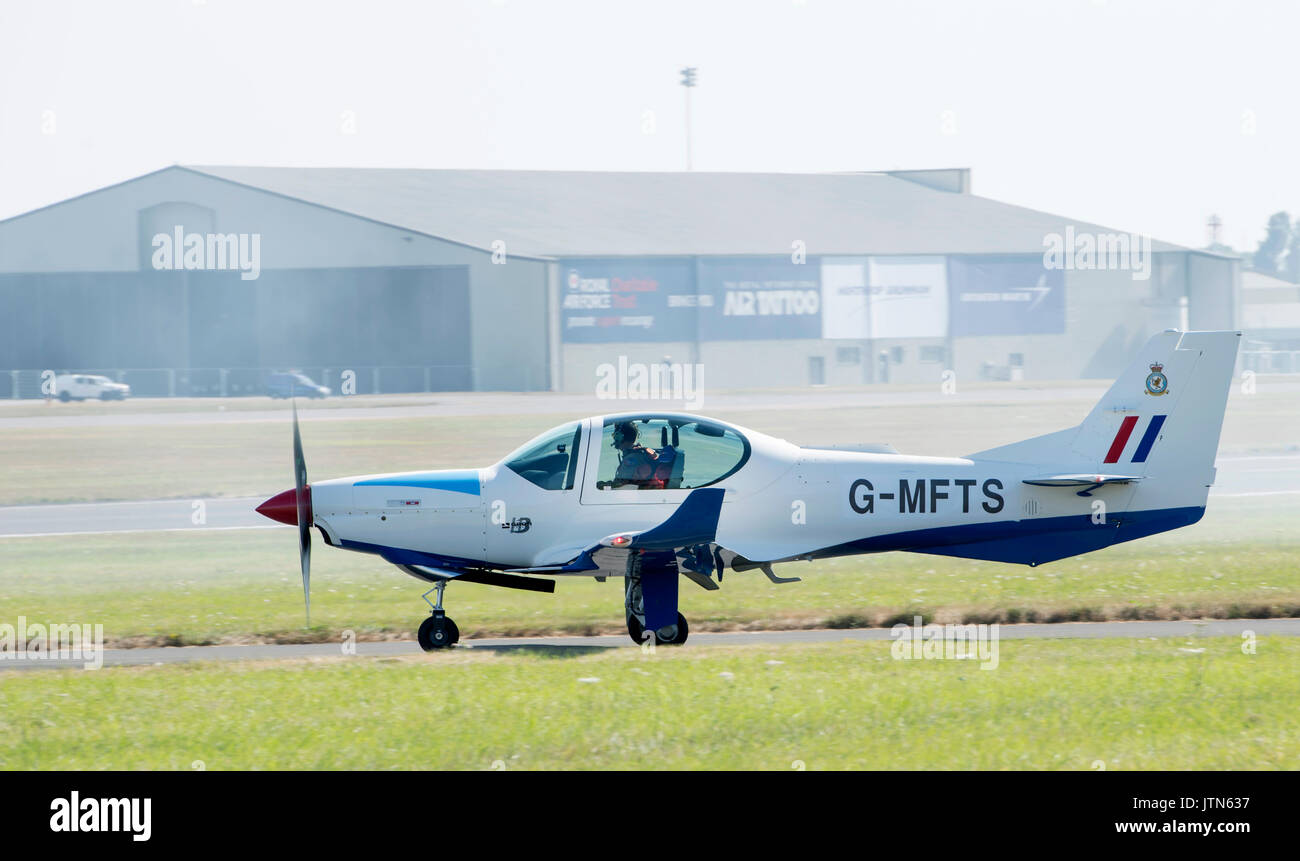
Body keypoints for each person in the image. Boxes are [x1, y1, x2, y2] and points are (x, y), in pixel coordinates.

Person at [611, 421, 660, 488]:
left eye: (615, 436)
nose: (614, 440)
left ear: (620, 437)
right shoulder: (640, 453)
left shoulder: (631, 460)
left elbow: (620, 485)